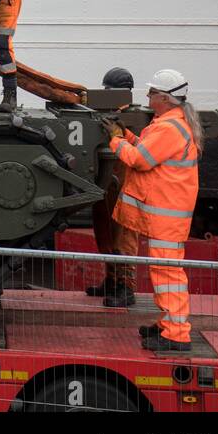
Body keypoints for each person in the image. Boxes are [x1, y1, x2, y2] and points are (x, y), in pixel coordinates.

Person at [102, 68, 202, 354]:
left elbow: (139, 159)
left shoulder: (169, 128)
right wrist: (128, 135)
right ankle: (167, 324)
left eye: (152, 93)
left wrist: (115, 139)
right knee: (164, 272)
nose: (147, 96)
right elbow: (147, 150)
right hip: (167, 214)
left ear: (165, 98)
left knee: (167, 273)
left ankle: (176, 334)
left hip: (165, 215)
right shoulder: (170, 123)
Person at [86, 67, 137, 306]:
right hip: (107, 184)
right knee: (105, 233)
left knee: (123, 238)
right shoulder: (106, 115)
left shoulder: (135, 118)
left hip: (125, 186)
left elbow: (138, 155)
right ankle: (110, 279)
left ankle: (125, 287)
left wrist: (119, 135)